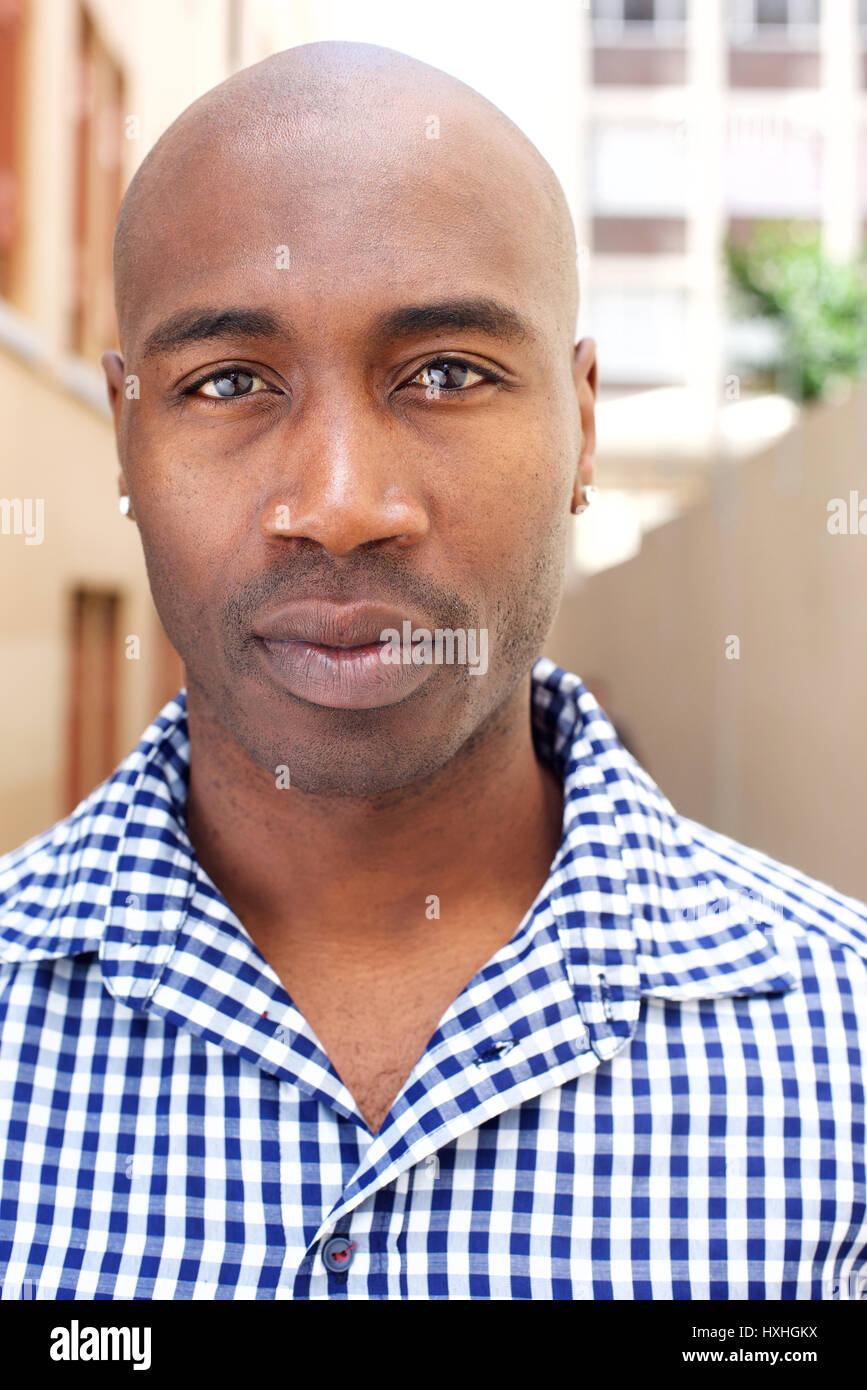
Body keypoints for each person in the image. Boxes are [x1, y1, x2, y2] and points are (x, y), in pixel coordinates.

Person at [1, 42, 865, 1302]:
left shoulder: (844, 1058)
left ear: (580, 425)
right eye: (231, 381)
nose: (343, 507)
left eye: (447, 372)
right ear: (128, 437)